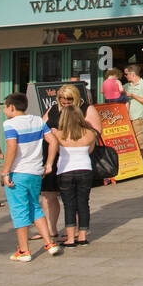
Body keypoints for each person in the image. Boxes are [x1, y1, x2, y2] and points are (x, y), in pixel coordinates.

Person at [0, 91, 62, 261]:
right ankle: (50, 243)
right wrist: (48, 163)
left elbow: (11, 147)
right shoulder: (37, 120)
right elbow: (53, 141)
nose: (4, 111)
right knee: (35, 206)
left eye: (5, 107)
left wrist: (5, 171)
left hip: (18, 172)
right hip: (36, 172)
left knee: (19, 211)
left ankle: (24, 251)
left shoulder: (9, 124)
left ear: (11, 107)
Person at [40, 84, 102, 237]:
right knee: (48, 194)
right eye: (62, 100)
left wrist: (66, 137)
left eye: (69, 100)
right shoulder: (54, 109)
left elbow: (96, 132)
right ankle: (50, 230)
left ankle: (74, 231)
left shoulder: (87, 109)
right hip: (51, 156)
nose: (65, 103)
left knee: (73, 197)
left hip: (74, 157)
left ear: (76, 98)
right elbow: (41, 127)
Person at [54, 106, 98, 247]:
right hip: (85, 169)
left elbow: (55, 151)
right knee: (83, 203)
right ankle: (83, 236)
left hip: (65, 170)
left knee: (69, 205)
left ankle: (71, 238)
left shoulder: (57, 134)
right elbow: (90, 150)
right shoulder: (90, 133)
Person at [123, 64, 143, 154]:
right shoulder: (126, 86)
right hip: (126, 119)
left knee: (139, 143)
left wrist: (132, 95)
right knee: (127, 143)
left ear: (133, 74)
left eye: (127, 74)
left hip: (138, 118)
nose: (125, 76)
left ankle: (140, 165)